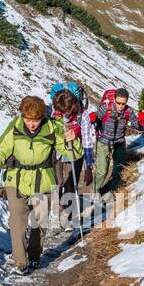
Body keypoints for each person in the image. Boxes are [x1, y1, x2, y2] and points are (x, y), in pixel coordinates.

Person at [0, 95, 65, 275]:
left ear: (42, 117)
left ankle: (35, 255)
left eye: (36, 120)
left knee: (40, 219)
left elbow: (68, 150)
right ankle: (20, 262)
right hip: (17, 178)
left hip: (43, 178)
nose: (31, 124)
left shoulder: (53, 127)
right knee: (17, 219)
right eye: (28, 120)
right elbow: (1, 148)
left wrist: (71, 139)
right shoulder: (15, 127)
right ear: (22, 116)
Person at [90, 87, 144, 191]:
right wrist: (92, 118)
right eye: (119, 103)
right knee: (102, 171)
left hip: (119, 142)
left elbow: (137, 127)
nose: (121, 106)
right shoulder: (106, 108)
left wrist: (142, 123)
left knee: (119, 168)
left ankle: (112, 189)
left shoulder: (128, 111)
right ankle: (94, 191)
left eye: (124, 103)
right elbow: (95, 118)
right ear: (114, 99)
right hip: (103, 141)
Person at [49, 87, 90, 229]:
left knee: (70, 184)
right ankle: (56, 213)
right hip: (56, 151)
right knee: (56, 182)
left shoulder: (82, 115)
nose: (65, 115)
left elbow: (87, 140)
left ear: (74, 105)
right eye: (62, 112)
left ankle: (67, 215)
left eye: (67, 111)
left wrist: (89, 166)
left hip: (75, 152)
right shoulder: (54, 111)